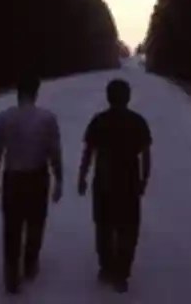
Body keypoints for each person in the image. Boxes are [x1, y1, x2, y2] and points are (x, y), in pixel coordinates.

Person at [0, 72, 63, 294]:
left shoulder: (5, 117)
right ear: (36, 92)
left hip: (13, 176)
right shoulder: (47, 118)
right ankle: (30, 264)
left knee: (12, 226)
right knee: (35, 222)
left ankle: (12, 275)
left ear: (17, 92)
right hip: (37, 176)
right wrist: (59, 179)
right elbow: (54, 152)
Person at [78, 78, 152, 294]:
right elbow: (146, 155)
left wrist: (82, 176)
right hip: (129, 183)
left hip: (103, 181)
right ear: (127, 97)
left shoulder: (99, 121)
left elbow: (88, 152)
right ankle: (122, 273)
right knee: (128, 228)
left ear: (108, 97)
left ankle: (106, 267)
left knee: (103, 225)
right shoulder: (138, 122)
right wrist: (144, 180)